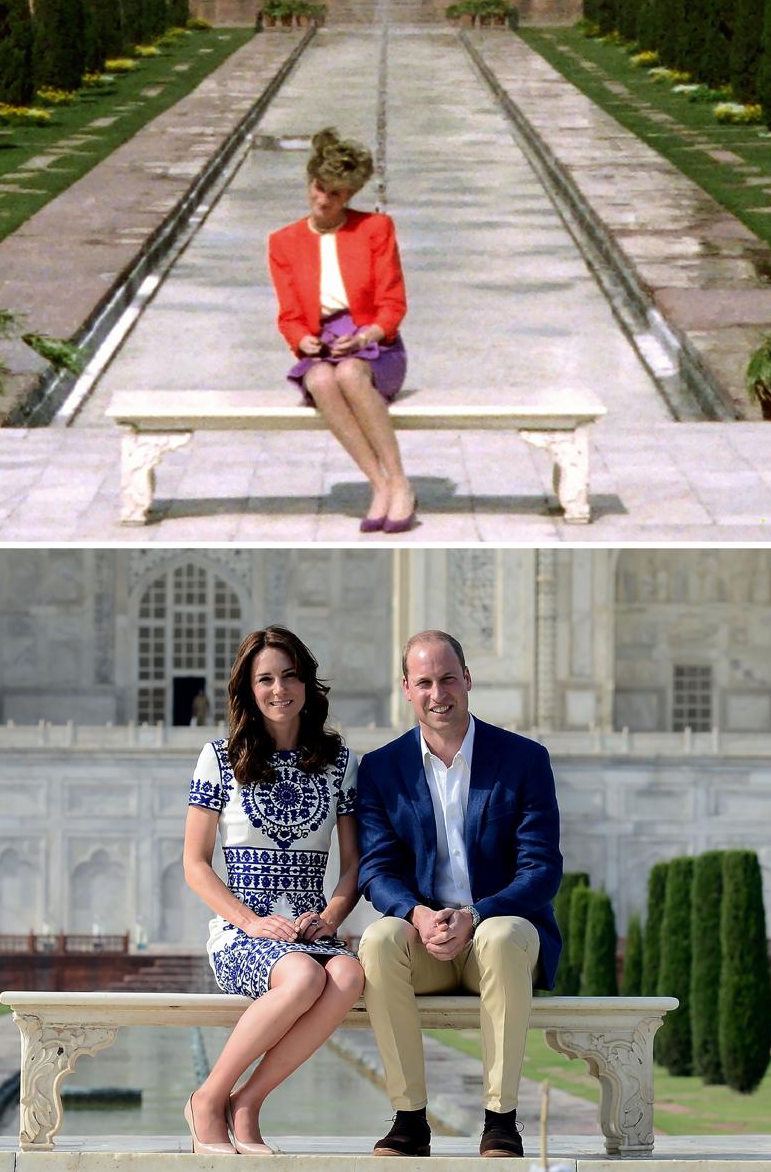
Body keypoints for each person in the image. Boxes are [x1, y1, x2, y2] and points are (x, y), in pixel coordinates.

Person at [356, 630, 562, 1159]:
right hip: (427, 943)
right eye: (423, 682)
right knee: (379, 940)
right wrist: (417, 915)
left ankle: (500, 1120)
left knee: (502, 932)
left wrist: (476, 914)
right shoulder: (382, 770)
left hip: (496, 939)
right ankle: (408, 1119)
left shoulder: (522, 760)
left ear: (467, 679)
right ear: (406, 688)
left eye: (448, 679)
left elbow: (541, 871)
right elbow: (376, 872)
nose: (437, 693)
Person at [183, 626, 364, 1155]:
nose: (278, 688)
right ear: (248, 689)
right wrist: (250, 921)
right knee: (305, 975)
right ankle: (208, 1098)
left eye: (289, 675)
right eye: (265, 679)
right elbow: (195, 865)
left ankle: (248, 1103)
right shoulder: (220, 758)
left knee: (349, 973)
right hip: (245, 931)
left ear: (307, 683)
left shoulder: (339, 763)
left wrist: (332, 914)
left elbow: (354, 864)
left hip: (310, 929)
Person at [267, 128, 417, 533]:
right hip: (324, 348)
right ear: (310, 181)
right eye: (318, 188)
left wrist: (366, 335)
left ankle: (400, 482)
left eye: (334, 194)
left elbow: (393, 305)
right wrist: (303, 340)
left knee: (350, 373)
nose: (322, 200)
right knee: (319, 378)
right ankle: (379, 484)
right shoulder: (283, 241)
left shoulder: (375, 229)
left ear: (348, 196)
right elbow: (289, 316)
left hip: (377, 347)